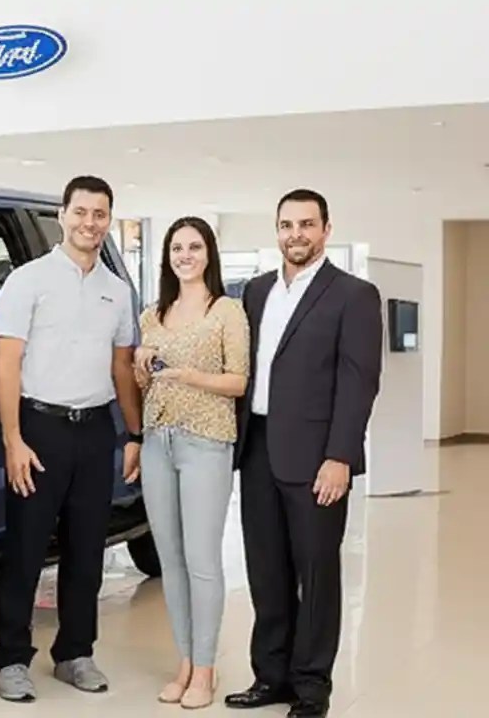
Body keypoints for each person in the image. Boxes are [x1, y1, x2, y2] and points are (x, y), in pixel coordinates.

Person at [224, 189, 382, 718]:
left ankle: (312, 687)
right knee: (265, 570)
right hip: (258, 448)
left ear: (326, 229)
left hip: (317, 455)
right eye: (287, 225)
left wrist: (341, 455)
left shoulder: (354, 295)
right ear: (276, 231)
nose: (296, 234)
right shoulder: (256, 291)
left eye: (306, 224)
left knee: (315, 573)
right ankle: (272, 677)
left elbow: (359, 383)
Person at [0, 175, 143, 702]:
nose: (89, 223)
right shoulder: (27, 281)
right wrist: (13, 439)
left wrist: (135, 433)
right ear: (63, 215)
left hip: (95, 430)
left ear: (108, 220)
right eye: (81, 212)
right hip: (39, 429)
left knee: (86, 552)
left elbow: (123, 369)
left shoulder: (117, 292)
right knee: (25, 550)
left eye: (100, 214)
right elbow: (7, 365)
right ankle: (11, 658)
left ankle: (76, 653)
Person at [132, 217, 250, 709]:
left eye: (194, 247)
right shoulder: (151, 314)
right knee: (172, 560)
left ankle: (206, 668)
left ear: (209, 254)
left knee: (202, 562)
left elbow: (238, 382)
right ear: (167, 256)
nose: (185, 255)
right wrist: (142, 366)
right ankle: (184, 661)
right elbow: (146, 386)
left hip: (207, 441)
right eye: (177, 248)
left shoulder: (227, 310)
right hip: (159, 441)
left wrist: (187, 374)